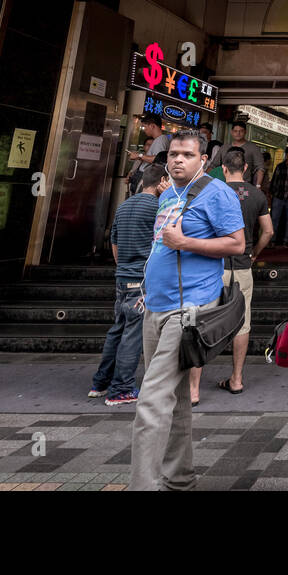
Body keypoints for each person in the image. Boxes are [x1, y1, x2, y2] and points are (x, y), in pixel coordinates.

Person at [129, 130, 244, 491]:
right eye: (173, 154)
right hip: (156, 306)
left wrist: (186, 242)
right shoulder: (168, 195)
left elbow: (237, 243)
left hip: (188, 309)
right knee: (175, 400)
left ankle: (143, 486)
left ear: (203, 160)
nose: (178, 160)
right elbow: (160, 247)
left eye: (186, 155)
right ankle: (179, 477)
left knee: (150, 401)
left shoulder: (218, 193)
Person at [189, 147, 272, 401]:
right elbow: (268, 231)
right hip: (242, 267)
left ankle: (193, 389)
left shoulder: (211, 190)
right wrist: (254, 252)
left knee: (201, 322)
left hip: (211, 267)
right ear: (246, 167)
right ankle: (236, 379)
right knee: (242, 324)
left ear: (223, 168)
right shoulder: (257, 195)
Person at [90, 164, 169, 407]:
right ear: (162, 182)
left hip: (122, 276)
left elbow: (114, 243)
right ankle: (121, 388)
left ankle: (100, 383)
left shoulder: (123, 207)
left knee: (117, 329)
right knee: (134, 333)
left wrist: (123, 266)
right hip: (142, 279)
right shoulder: (158, 207)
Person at [129, 114, 170, 192]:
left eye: (145, 127)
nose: (144, 130)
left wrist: (139, 155)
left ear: (152, 126)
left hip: (146, 176)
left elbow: (158, 159)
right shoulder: (158, 140)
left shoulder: (161, 140)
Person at [228, 119, 266, 190]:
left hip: (243, 186)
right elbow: (213, 165)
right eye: (235, 131)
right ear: (231, 132)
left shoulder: (253, 148)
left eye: (241, 131)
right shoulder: (225, 147)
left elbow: (260, 168)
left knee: (241, 201)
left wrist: (258, 186)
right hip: (225, 184)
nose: (238, 133)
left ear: (245, 132)